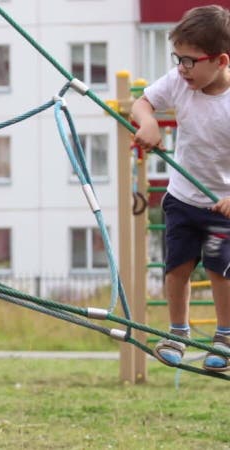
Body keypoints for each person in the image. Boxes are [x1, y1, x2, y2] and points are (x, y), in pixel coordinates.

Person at [133, 4, 230, 371]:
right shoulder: (178, 82)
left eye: (190, 61)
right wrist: (150, 124)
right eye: (178, 59)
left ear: (220, 60)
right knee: (177, 268)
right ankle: (177, 333)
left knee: (222, 270)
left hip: (221, 205)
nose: (181, 68)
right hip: (182, 198)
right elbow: (143, 103)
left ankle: (224, 337)